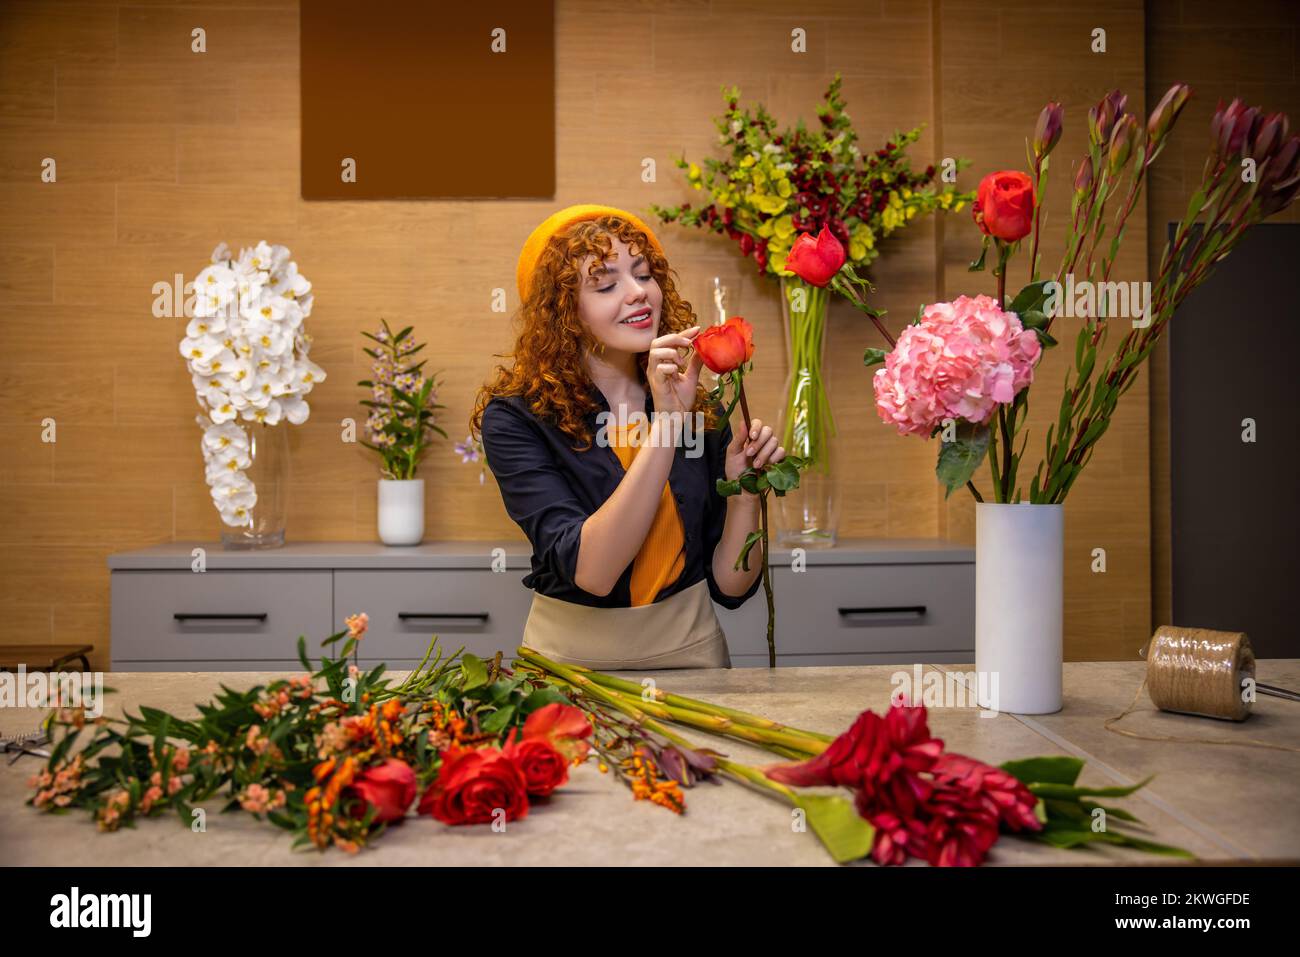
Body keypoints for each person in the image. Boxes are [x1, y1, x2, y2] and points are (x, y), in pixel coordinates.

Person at [469, 204, 784, 670]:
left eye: (643, 274)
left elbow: (732, 587)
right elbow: (593, 573)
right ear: (564, 311)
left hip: (694, 659)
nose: (638, 293)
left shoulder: (698, 403)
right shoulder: (516, 419)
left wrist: (742, 494)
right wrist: (667, 427)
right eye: (607, 284)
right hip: (569, 670)